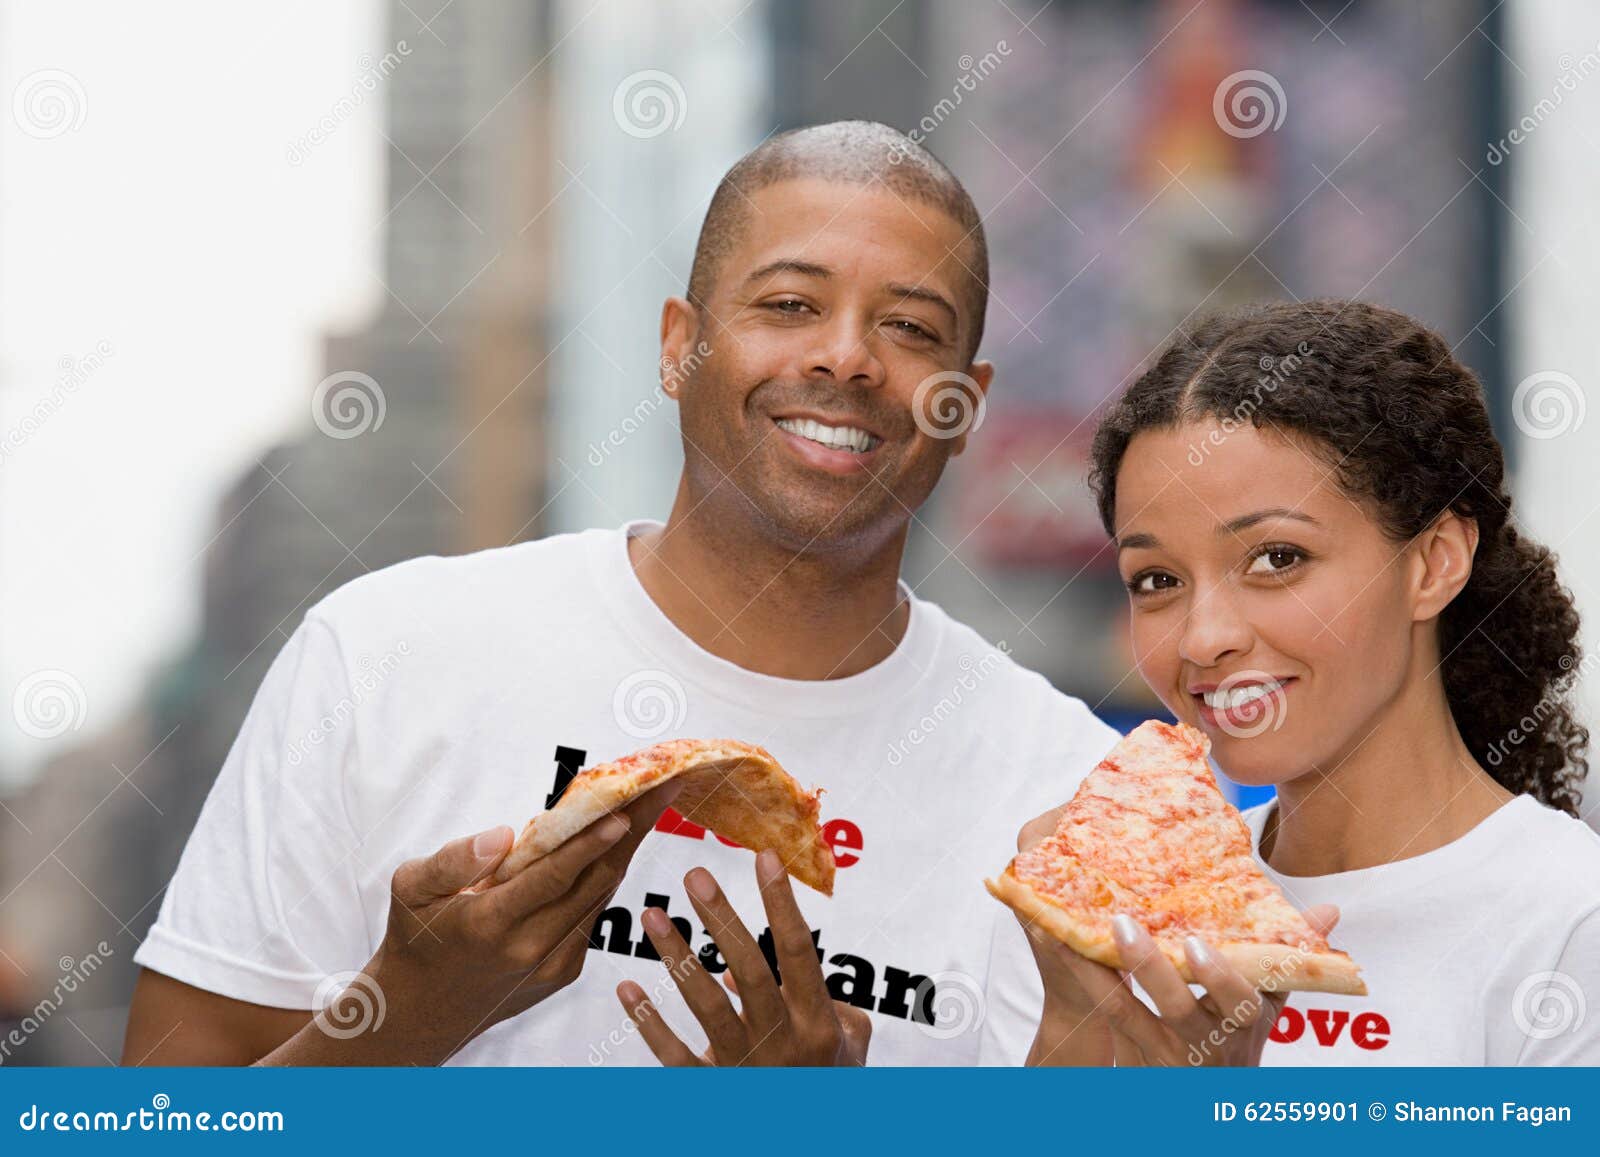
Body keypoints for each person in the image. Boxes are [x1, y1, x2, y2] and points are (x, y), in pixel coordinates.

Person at [120, 121, 1119, 1066]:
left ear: (965, 401)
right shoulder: (385, 653)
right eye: (788, 305)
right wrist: (407, 1010)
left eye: (907, 327)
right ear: (678, 344)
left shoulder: (1073, 799)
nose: (846, 357)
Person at [1005, 299, 1600, 1066]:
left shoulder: (1570, 926)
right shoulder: (1098, 915)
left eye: (1277, 558)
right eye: (1156, 578)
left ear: (1435, 562)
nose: (1204, 637)